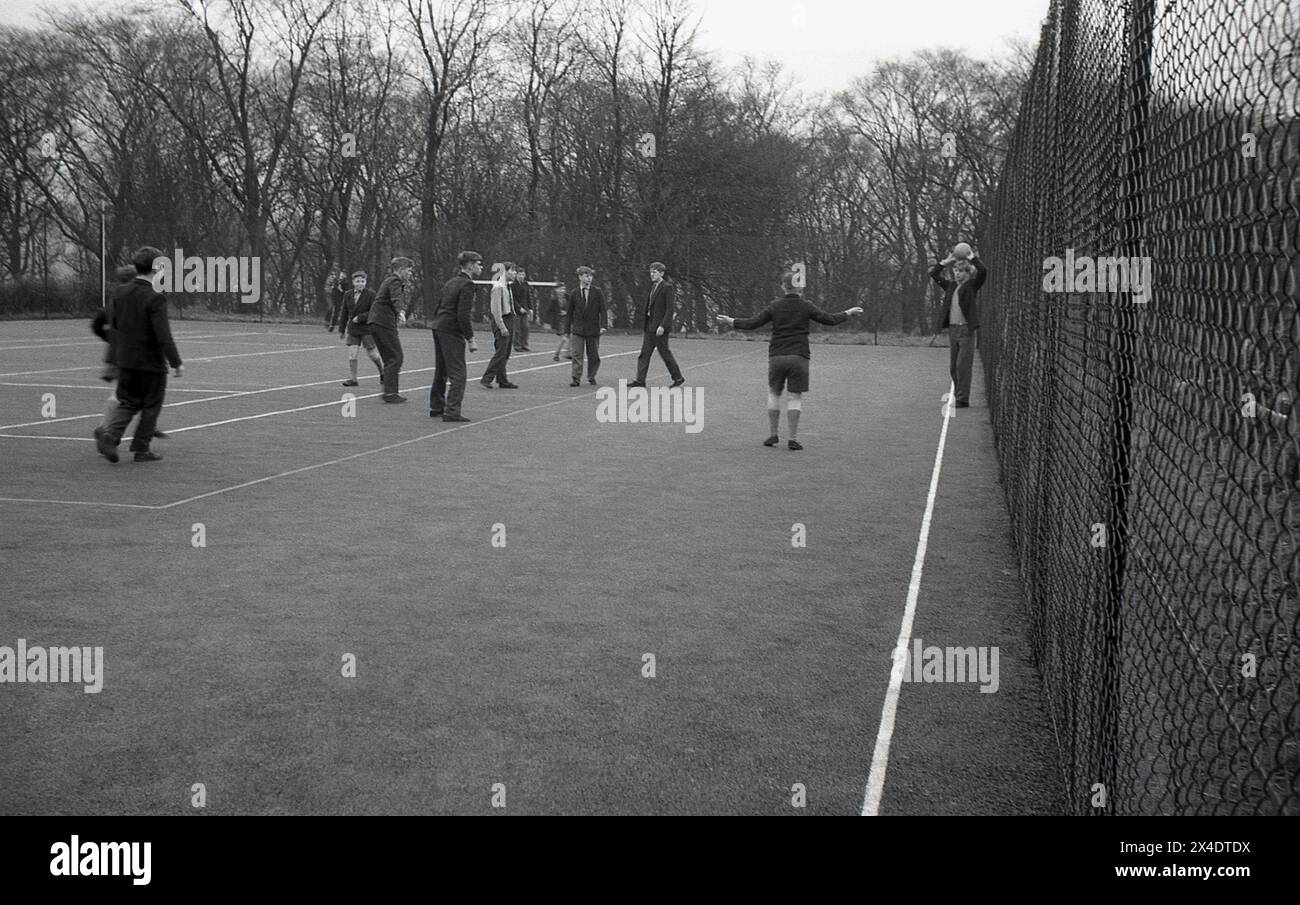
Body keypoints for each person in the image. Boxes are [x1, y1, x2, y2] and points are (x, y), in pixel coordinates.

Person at [717, 270, 861, 450]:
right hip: (799, 356)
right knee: (794, 397)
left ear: (783, 286)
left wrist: (730, 321)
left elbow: (752, 323)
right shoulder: (806, 306)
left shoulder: (775, 306)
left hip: (777, 356)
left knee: (774, 394)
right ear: (800, 286)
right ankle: (792, 439)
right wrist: (848, 312)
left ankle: (773, 435)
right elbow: (829, 319)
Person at [93, 246, 183, 463]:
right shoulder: (155, 297)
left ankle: (110, 436)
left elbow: (113, 323)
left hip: (124, 360)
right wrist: (176, 362)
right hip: (150, 363)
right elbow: (163, 336)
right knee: (151, 405)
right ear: (156, 269)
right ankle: (141, 449)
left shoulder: (119, 293)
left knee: (128, 402)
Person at [929, 243, 987, 408]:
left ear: (967, 273)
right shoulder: (950, 286)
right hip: (953, 330)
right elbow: (934, 274)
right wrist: (946, 262)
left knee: (963, 366)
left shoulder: (971, 286)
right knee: (953, 367)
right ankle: (959, 394)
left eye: (961, 271)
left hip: (966, 330)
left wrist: (972, 258)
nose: (957, 273)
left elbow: (983, 272)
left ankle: (963, 399)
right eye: (955, 270)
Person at [430, 251, 482, 422]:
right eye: (478, 263)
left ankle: (437, 406)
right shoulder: (468, 284)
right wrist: (470, 338)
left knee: (442, 369)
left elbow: (439, 306)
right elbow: (463, 315)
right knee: (458, 372)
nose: (480, 266)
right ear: (469, 265)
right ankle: (452, 411)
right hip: (451, 330)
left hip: (439, 326)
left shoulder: (451, 282)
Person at [369, 256, 416, 403]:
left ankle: (389, 392)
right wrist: (401, 312)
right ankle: (390, 393)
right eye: (409, 270)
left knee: (391, 358)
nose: (410, 274)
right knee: (396, 357)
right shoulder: (395, 281)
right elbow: (396, 298)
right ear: (401, 270)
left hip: (376, 322)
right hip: (383, 322)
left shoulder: (389, 281)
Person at [630, 261, 684, 388]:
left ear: (662, 273)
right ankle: (640, 380)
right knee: (644, 353)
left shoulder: (667, 287)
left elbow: (669, 309)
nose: (652, 274)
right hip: (650, 327)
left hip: (659, 328)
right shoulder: (653, 287)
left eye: (655, 272)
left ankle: (678, 378)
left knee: (665, 353)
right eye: (651, 272)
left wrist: (662, 326)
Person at [334, 270, 382, 387]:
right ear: (353, 282)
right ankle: (353, 379)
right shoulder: (348, 294)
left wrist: (360, 317)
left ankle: (383, 372)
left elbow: (374, 311)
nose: (360, 283)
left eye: (362, 281)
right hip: (353, 329)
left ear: (365, 282)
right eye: (358, 281)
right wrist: (341, 329)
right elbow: (344, 312)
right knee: (352, 354)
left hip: (367, 328)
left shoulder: (371, 295)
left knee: (372, 354)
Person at [564, 265, 606, 386]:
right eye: (586, 276)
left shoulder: (597, 292)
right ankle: (576, 378)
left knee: (593, 355)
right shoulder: (574, 293)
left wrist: (603, 325)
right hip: (578, 329)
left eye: (591, 276)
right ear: (580, 277)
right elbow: (569, 313)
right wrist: (567, 330)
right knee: (577, 354)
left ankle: (591, 376)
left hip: (593, 329)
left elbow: (603, 310)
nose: (589, 278)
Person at [481, 261, 519, 389]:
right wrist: (502, 326)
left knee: (506, 352)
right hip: (503, 320)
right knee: (501, 352)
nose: (515, 273)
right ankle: (486, 378)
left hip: (510, 319)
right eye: (512, 270)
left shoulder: (507, 286)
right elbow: (496, 310)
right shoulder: (498, 287)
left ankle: (502, 379)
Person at [512, 266, 533, 352]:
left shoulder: (526, 284)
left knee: (526, 328)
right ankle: (517, 346)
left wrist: (530, 308)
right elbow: (513, 299)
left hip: (525, 310)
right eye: (519, 274)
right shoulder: (512, 285)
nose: (521, 276)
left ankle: (525, 345)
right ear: (516, 275)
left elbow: (528, 297)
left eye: (523, 274)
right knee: (517, 329)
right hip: (516, 311)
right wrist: (519, 308)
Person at [549, 282, 570, 361]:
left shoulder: (568, 297)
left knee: (569, 338)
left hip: (567, 320)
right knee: (564, 339)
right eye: (560, 289)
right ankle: (557, 354)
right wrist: (548, 322)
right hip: (559, 322)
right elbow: (549, 311)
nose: (562, 290)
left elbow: (572, 307)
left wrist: (566, 312)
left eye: (563, 289)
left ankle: (566, 354)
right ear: (556, 290)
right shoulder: (554, 300)